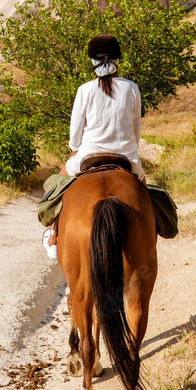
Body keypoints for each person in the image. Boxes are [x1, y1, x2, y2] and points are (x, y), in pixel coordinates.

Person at [42, 33, 146, 258]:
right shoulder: (132, 88)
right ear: (118, 60)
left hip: (88, 155)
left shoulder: (85, 89)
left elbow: (75, 134)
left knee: (56, 187)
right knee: (146, 194)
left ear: (92, 61)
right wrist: (129, 148)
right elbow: (136, 131)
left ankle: (53, 234)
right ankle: (151, 234)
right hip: (127, 157)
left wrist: (73, 149)